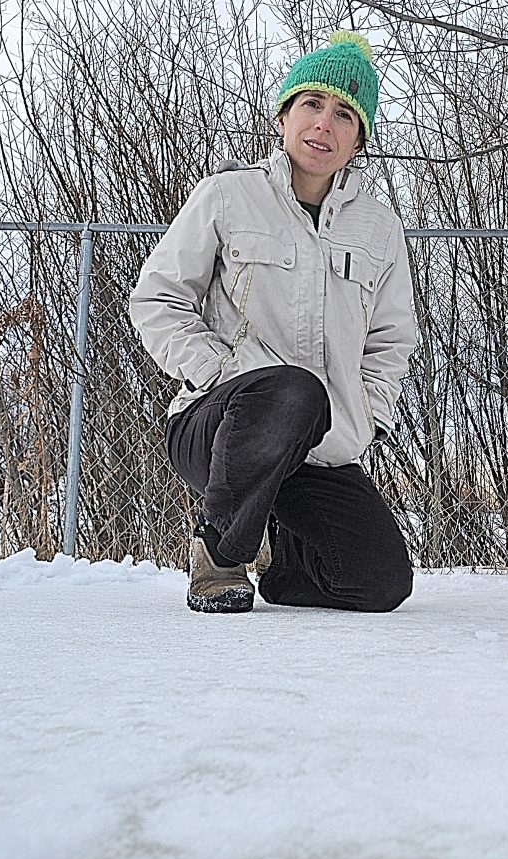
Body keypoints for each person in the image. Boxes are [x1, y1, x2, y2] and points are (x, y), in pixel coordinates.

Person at [129, 32, 417, 614]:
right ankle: (221, 557)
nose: (324, 126)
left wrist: (369, 418)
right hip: (220, 425)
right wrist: (216, 371)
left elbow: (391, 339)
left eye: (344, 114)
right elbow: (158, 299)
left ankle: (282, 566)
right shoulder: (227, 197)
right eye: (311, 104)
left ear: (358, 137)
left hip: (321, 447)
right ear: (284, 115)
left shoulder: (379, 229)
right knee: (290, 389)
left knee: (380, 584)